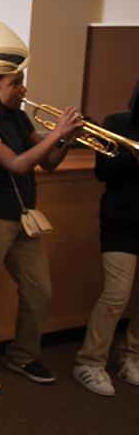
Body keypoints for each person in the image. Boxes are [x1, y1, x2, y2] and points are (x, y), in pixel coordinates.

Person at [0, 72, 83, 391]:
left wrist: (65, 139)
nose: (23, 88)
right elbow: (17, 164)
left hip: (25, 217)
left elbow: (50, 162)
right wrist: (59, 132)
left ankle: (23, 356)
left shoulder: (21, 119)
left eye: (22, 81)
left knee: (40, 291)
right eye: (15, 83)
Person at [72, 79, 139, 395]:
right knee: (116, 295)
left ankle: (132, 355)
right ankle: (90, 361)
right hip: (120, 223)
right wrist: (131, 155)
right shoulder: (117, 124)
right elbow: (104, 173)